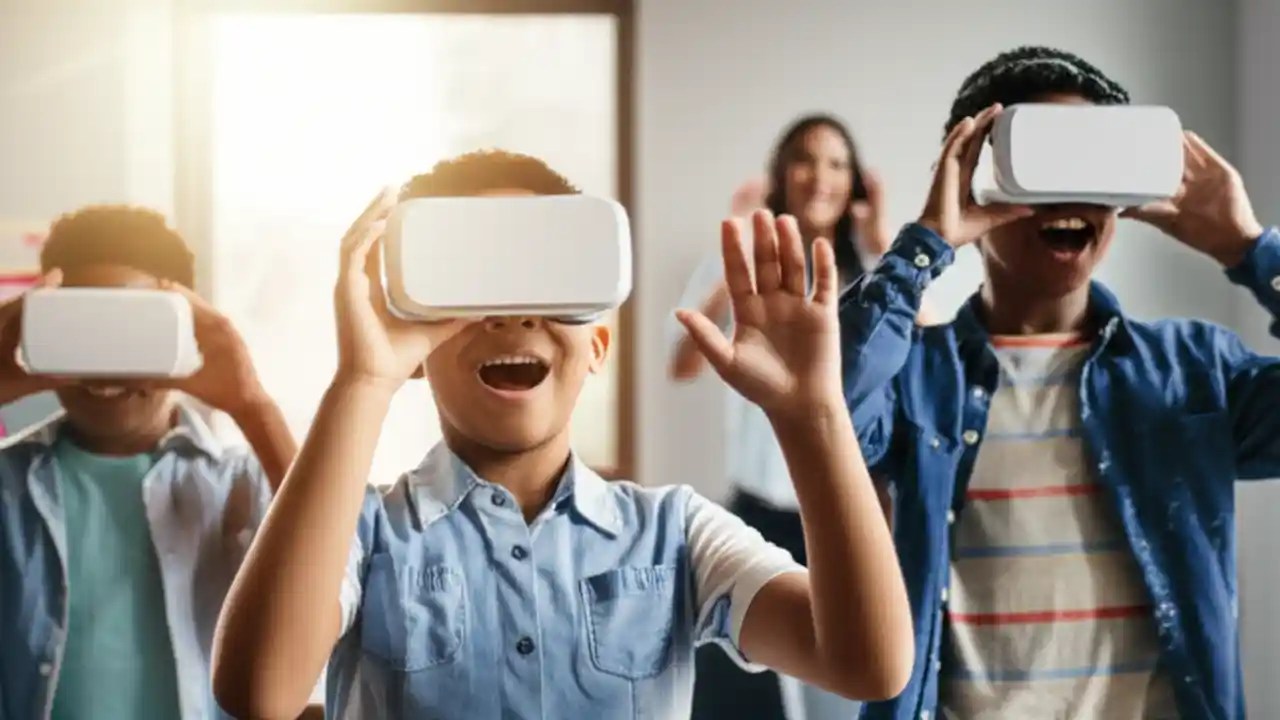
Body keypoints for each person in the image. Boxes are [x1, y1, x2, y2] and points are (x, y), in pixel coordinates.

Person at [209, 149, 915, 720]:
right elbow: (258, 693)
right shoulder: (362, 535)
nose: (511, 312)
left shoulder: (675, 532)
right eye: (473, 282)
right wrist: (363, 381)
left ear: (597, 346)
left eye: (544, 278)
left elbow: (868, 664)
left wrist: (813, 416)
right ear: (419, 345)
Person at [839, 45, 1280, 720]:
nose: (1069, 195)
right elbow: (824, 408)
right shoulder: (915, 380)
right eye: (1038, 166)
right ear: (973, 183)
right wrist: (925, 241)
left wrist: (1252, 250)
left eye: (1093, 165)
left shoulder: (1195, 373)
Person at [669, 114, 926, 720]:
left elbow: (935, 344)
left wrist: (883, 242)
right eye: (806, 159)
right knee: (731, 698)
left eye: (838, 163)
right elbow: (680, 363)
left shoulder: (873, 273)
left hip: (847, 517)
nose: (821, 176)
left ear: (856, 183)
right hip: (757, 514)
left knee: (850, 694)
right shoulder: (738, 258)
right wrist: (733, 263)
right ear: (781, 175)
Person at [0, 206, 297, 719]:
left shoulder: (239, 482)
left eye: (133, 331)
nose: (107, 368)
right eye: (84, 333)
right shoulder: (7, 485)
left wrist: (253, 406)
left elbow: (350, 568)